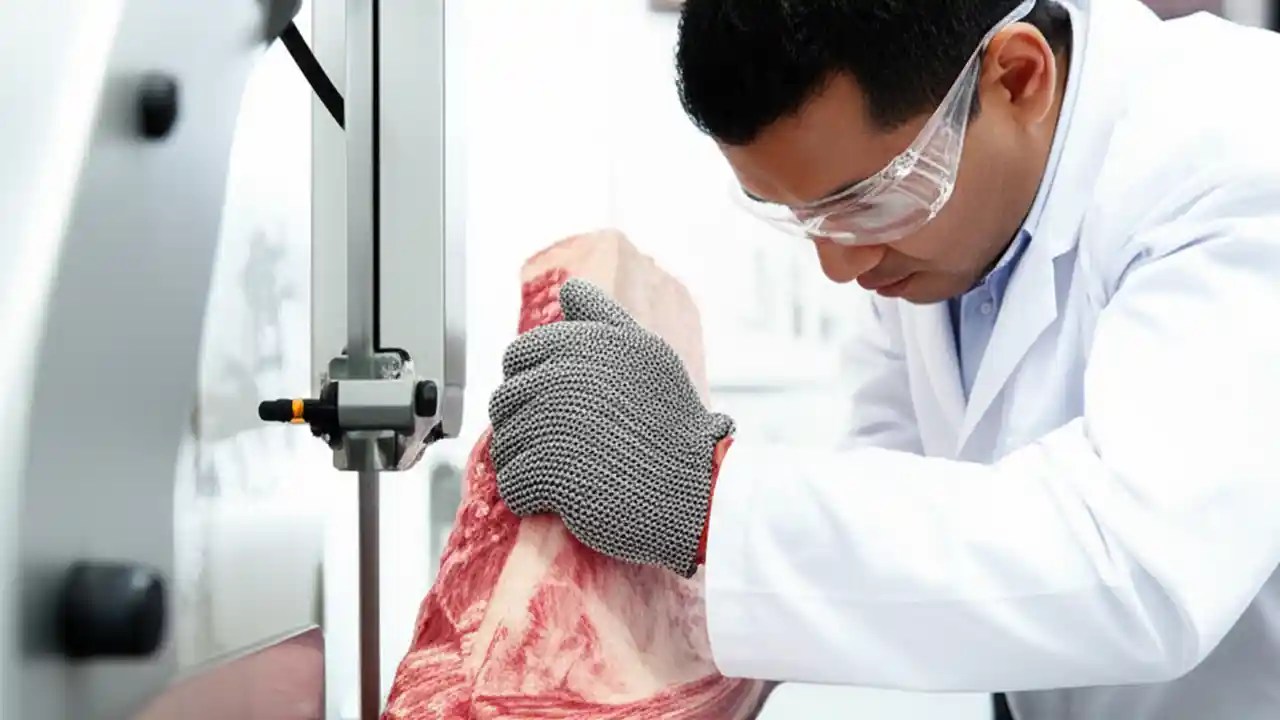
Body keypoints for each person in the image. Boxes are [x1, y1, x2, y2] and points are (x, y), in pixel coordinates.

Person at [485, 0, 1280, 718]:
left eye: (864, 202)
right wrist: (689, 599)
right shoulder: (933, 211)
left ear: (1018, 77)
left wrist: (709, 499)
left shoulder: (1236, 146)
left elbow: (1142, 567)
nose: (839, 265)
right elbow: (889, 483)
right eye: (799, 214)